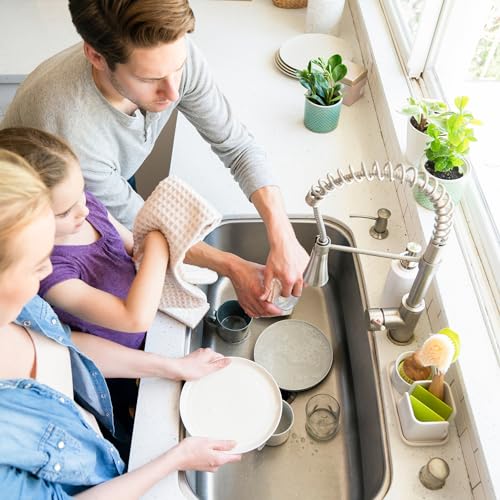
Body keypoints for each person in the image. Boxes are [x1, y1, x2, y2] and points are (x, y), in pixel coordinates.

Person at [1, 0, 309, 316]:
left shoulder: (172, 57)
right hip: (45, 225)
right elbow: (141, 226)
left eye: (178, 68)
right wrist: (231, 266)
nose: (174, 92)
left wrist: (283, 234)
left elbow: (237, 147)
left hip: (104, 177)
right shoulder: (73, 134)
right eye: (150, 79)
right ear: (96, 56)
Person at [0, 126, 281, 460]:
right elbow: (133, 317)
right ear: (27, 220)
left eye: (82, 194)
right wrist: (160, 241)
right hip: (121, 367)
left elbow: (133, 243)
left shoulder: (82, 208)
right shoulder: (52, 272)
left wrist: (149, 247)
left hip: (154, 332)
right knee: (136, 422)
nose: (84, 211)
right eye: (64, 212)